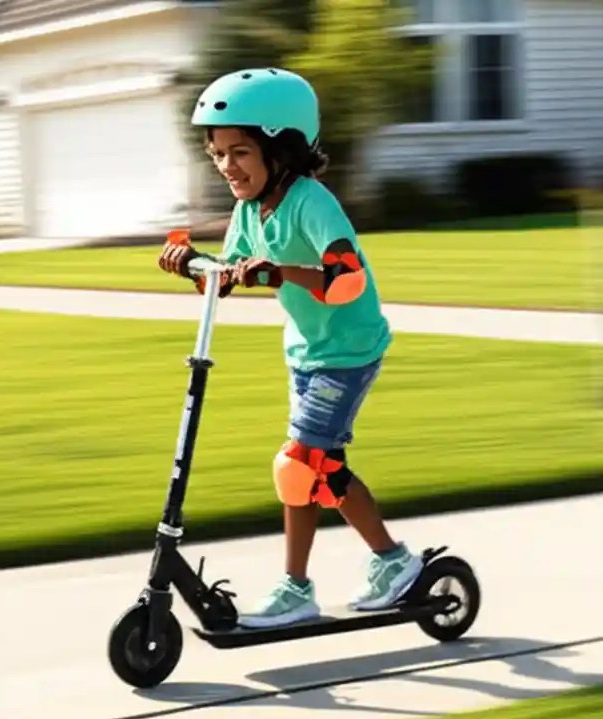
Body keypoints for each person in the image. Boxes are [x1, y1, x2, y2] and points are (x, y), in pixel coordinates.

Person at [157, 67, 423, 629]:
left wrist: (281, 271)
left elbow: (346, 278)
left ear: (283, 148)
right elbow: (231, 275)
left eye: (241, 151)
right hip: (306, 352)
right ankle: (394, 563)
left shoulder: (311, 202)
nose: (227, 165)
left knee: (297, 466)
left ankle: (297, 589)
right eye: (218, 154)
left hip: (348, 349)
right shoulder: (249, 211)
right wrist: (192, 266)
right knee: (322, 469)